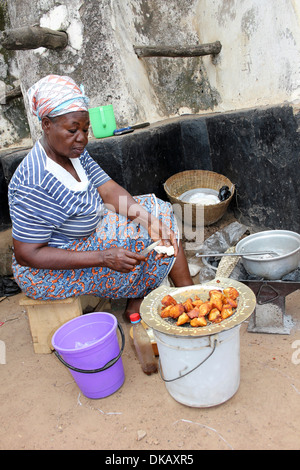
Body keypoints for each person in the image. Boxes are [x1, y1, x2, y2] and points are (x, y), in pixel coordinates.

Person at [8, 74, 193, 319]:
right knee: (134, 239)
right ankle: (185, 302)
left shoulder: (73, 151)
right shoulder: (33, 180)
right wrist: (103, 257)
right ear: (46, 124)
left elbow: (107, 189)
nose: (82, 138)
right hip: (47, 269)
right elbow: (27, 254)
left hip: (88, 233)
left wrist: (149, 221)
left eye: (85, 129)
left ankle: (185, 296)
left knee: (155, 213)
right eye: (73, 130)